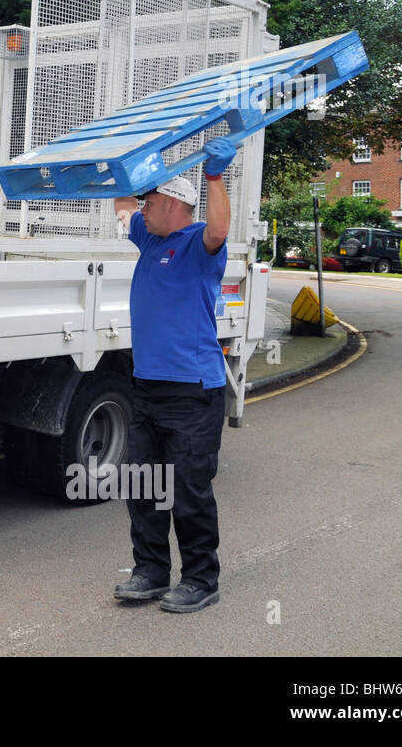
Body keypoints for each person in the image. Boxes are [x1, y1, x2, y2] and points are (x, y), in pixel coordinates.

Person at [111, 136, 236, 613]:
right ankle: (150, 571)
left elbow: (220, 229)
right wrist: (126, 171)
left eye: (148, 203)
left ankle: (202, 579)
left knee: (189, 492)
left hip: (193, 393)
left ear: (171, 205)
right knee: (143, 486)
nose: (140, 211)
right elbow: (122, 208)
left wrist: (215, 176)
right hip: (147, 389)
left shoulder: (197, 244)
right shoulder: (149, 235)